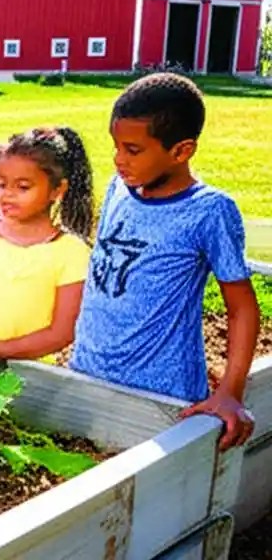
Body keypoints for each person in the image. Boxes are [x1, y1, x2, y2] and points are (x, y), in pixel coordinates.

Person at [71, 74, 258, 450]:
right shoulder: (117, 189)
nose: (119, 160)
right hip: (86, 376)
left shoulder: (209, 211)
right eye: (116, 147)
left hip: (162, 397)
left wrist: (230, 391)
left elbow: (242, 309)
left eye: (133, 150)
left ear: (181, 151)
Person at [0, 127, 94, 362]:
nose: (7, 195)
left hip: (34, 376)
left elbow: (62, 332)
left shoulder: (72, 253)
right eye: (2, 184)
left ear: (57, 190)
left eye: (23, 187)